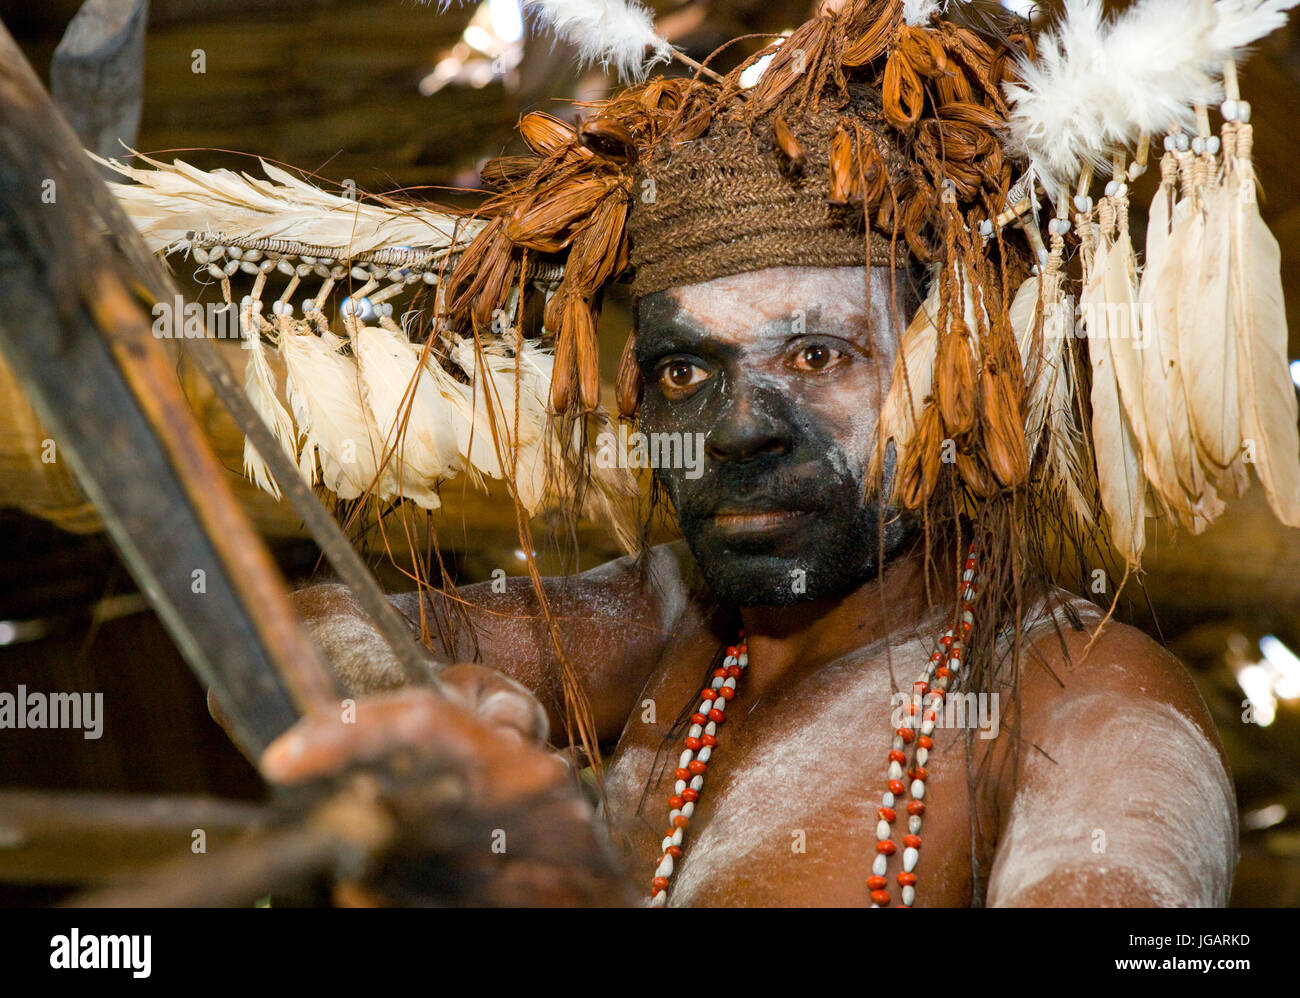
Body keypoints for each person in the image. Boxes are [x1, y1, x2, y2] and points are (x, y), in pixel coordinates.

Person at [204, 0, 1300, 906]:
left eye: (817, 353)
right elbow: (287, 634)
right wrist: (410, 707)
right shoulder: (668, 625)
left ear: (955, 378)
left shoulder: (1087, 702)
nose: (738, 426)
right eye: (685, 370)